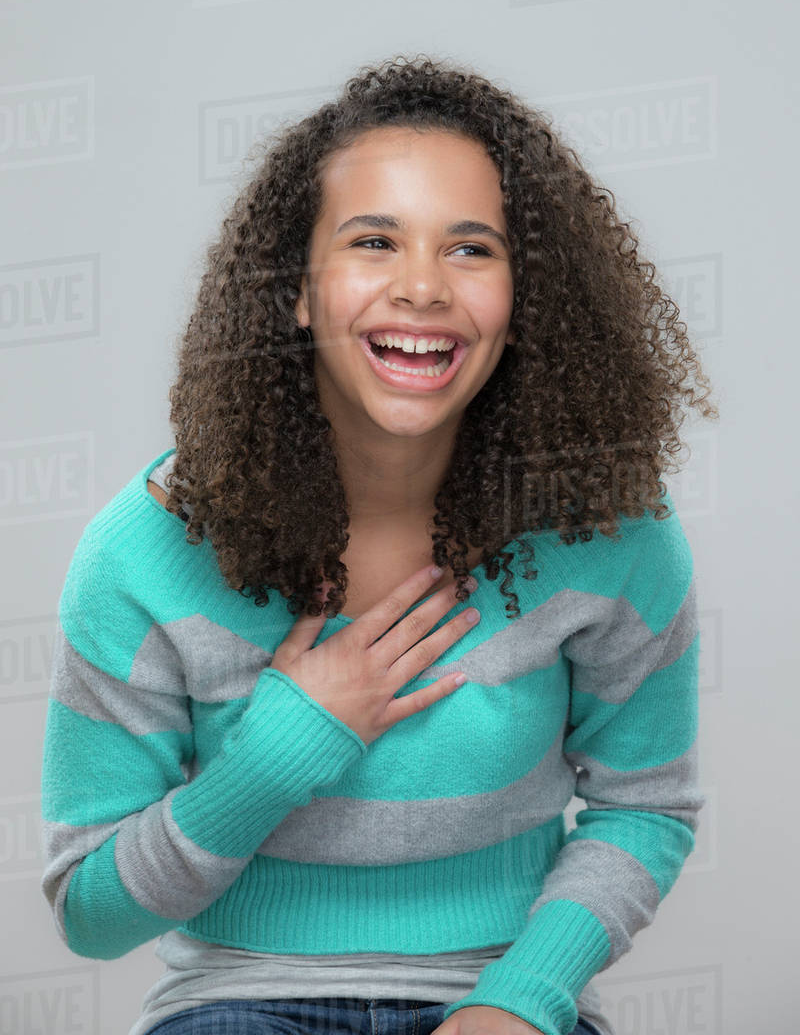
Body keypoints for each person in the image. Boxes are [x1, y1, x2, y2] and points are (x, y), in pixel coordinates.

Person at [40, 53, 718, 1035]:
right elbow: (92, 916)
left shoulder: (605, 526)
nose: (421, 287)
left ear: (523, 298)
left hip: (502, 991)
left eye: (471, 250)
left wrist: (520, 1003)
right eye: (372, 241)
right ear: (298, 290)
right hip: (238, 1000)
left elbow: (645, 807)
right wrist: (282, 746)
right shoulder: (145, 552)